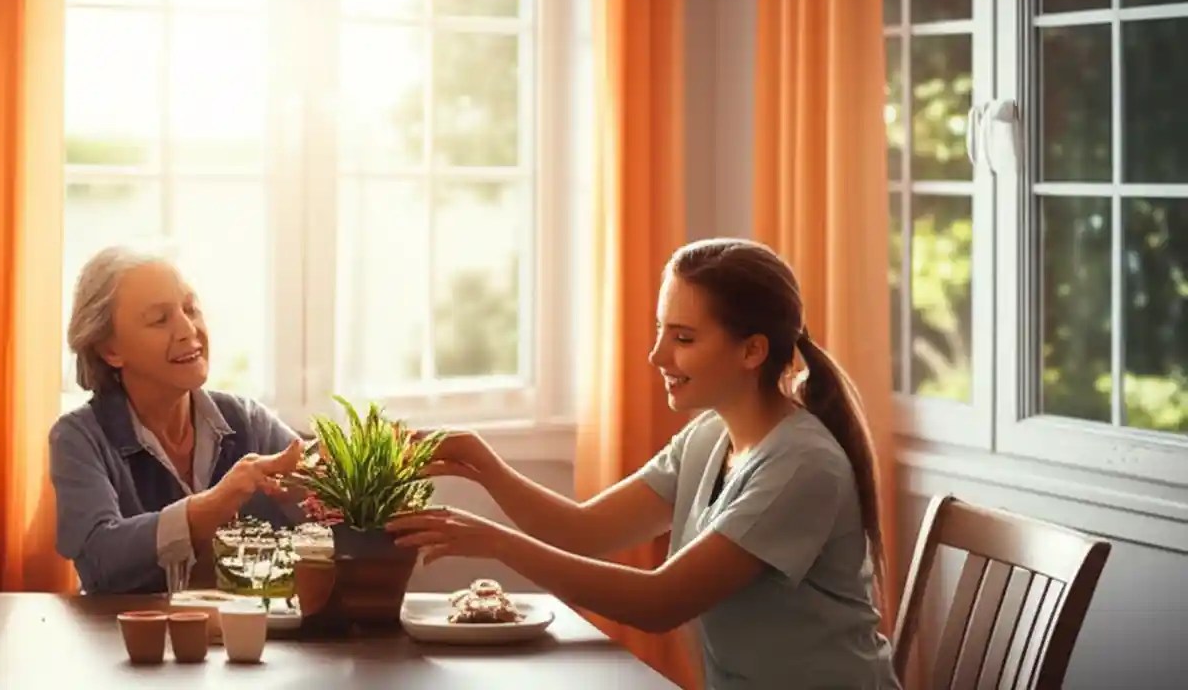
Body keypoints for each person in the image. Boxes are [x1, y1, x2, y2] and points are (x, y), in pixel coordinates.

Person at [387, 238, 901, 689]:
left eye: (683, 338)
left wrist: (496, 543)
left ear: (752, 351)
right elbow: (585, 531)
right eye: (661, 331)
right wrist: (481, 462)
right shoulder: (708, 437)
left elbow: (661, 602)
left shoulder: (801, 466)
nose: (657, 356)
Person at [50, 246, 304, 594]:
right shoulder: (79, 438)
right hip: (128, 644)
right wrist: (215, 503)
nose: (188, 331)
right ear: (110, 350)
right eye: (159, 319)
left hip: (246, 642)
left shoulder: (249, 422)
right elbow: (100, 561)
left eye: (190, 309)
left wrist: (394, 506)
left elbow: (341, 512)